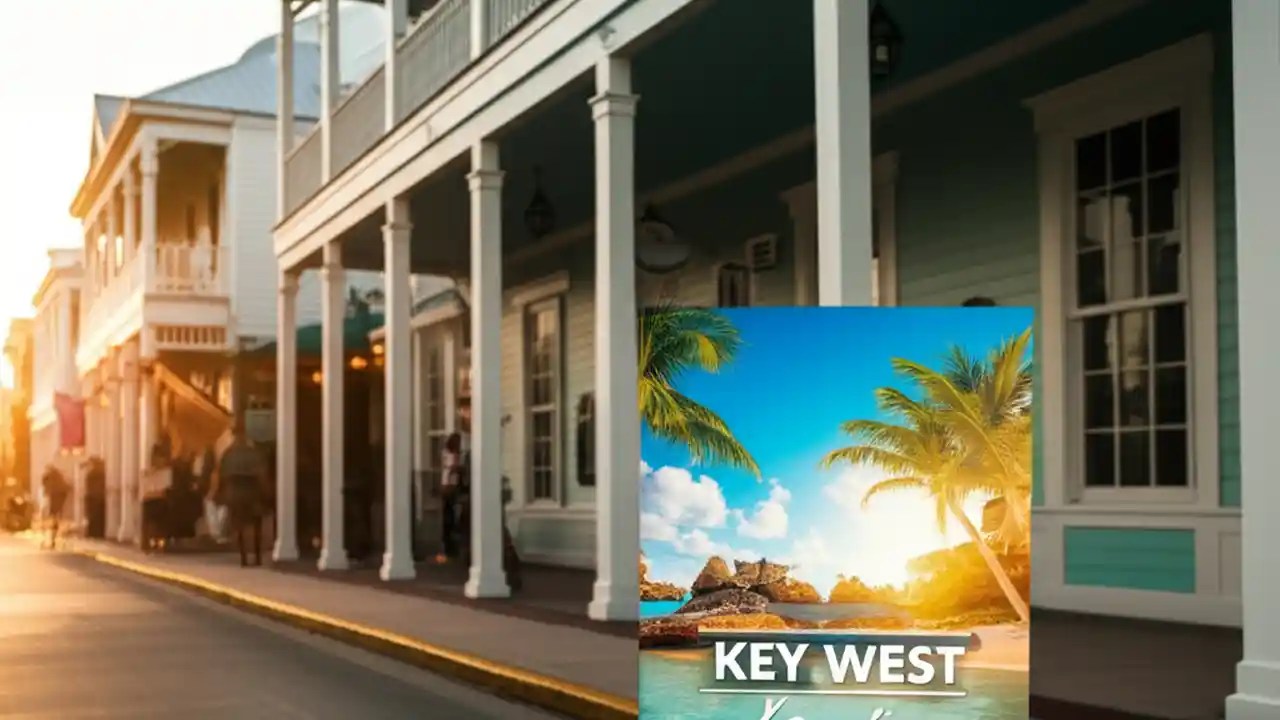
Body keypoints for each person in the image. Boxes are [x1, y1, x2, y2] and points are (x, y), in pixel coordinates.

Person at [215, 422, 268, 566]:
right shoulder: (253, 453)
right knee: (257, 524)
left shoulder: (228, 454)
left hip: (235, 492)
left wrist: (220, 493)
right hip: (252, 491)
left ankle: (244, 557)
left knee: (239, 526)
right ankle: (257, 556)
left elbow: (222, 475)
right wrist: (265, 493)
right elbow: (261, 474)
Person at [41, 464, 70, 550]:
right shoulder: (58, 478)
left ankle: (52, 538)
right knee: (56, 517)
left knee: (52, 518)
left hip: (55, 499)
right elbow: (65, 488)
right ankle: (55, 538)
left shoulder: (50, 478)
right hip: (59, 499)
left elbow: (47, 487)